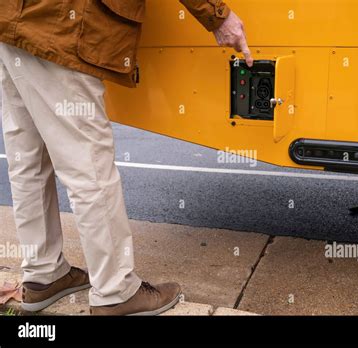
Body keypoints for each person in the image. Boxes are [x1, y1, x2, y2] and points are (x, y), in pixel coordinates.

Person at [0, 0, 253, 316]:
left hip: (14, 21)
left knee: (28, 160)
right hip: (63, 26)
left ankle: (43, 273)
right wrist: (217, 15)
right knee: (89, 168)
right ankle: (116, 291)